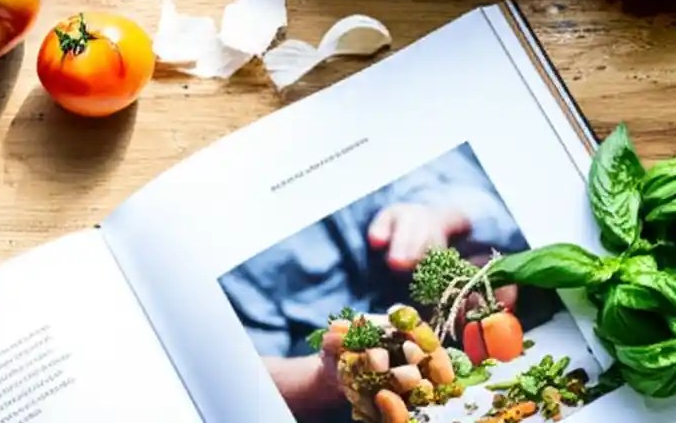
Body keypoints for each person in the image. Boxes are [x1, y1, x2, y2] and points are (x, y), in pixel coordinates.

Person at [220, 145, 527, 420]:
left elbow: (499, 196)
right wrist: (330, 376)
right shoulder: (228, 238)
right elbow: (241, 382)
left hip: (502, 360)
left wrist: (440, 220)